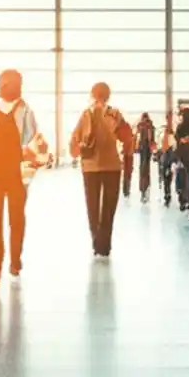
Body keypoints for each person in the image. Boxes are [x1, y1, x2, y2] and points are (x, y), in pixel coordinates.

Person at [0, 69, 39, 288]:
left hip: (15, 170)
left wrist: (29, 164)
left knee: (16, 217)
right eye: (7, 83)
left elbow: (33, 141)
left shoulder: (25, 111)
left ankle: (14, 260)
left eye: (15, 83)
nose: (11, 87)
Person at [71, 82, 125, 259]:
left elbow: (74, 141)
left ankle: (96, 243)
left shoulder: (86, 114)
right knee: (109, 208)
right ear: (108, 95)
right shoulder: (115, 114)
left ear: (93, 95)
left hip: (90, 167)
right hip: (112, 166)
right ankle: (105, 245)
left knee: (92, 207)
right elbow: (125, 136)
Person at [135, 113, 156, 202]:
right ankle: (145, 186)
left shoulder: (142, 126)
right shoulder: (149, 126)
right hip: (146, 148)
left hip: (144, 148)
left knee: (143, 168)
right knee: (146, 168)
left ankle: (144, 187)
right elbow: (152, 139)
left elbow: (137, 134)